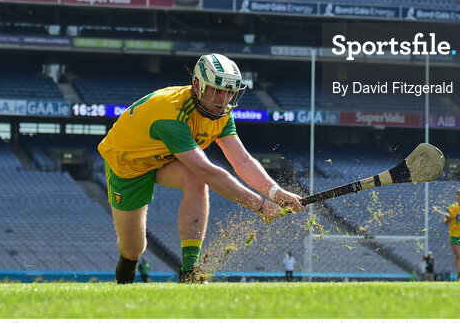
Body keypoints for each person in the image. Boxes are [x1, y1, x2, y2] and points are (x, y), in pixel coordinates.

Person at [97, 53, 305, 284]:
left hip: (164, 157)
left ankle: (189, 273)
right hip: (129, 166)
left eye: (229, 92)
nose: (223, 99)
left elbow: (242, 161)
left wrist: (276, 192)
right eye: (217, 90)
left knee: (196, 180)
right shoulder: (171, 113)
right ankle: (123, 283)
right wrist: (261, 206)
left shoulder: (221, 113)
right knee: (134, 249)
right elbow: (209, 171)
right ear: (197, 85)